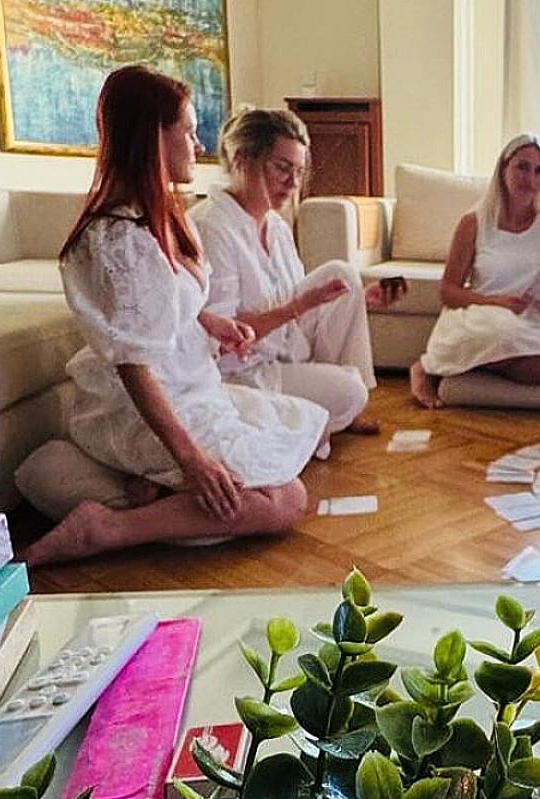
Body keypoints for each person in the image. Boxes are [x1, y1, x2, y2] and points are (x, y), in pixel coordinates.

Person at [23, 66, 329, 566]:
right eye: (186, 130)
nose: (198, 141)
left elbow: (171, 303)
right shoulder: (115, 239)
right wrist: (191, 460)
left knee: (303, 436)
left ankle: (152, 492)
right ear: (152, 137)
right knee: (283, 501)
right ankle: (106, 528)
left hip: (192, 380)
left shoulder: (165, 211)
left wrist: (211, 322)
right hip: (142, 401)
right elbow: (133, 364)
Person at [190, 107, 404, 437]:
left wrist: (359, 299)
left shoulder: (274, 225)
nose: (293, 183)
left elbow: (295, 303)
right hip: (240, 371)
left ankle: (329, 412)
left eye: (300, 171)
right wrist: (300, 307)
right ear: (242, 159)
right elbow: (221, 341)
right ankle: (318, 417)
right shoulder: (211, 227)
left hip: (284, 352)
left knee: (343, 275)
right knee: (350, 390)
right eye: (282, 168)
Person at [409, 133, 540, 408]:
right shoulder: (473, 222)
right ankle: (427, 367)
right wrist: (495, 301)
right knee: (500, 332)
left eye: (539, 171)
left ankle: (461, 365)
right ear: (504, 168)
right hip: (478, 314)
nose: (529, 178)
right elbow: (448, 292)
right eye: (522, 167)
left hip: (526, 319)